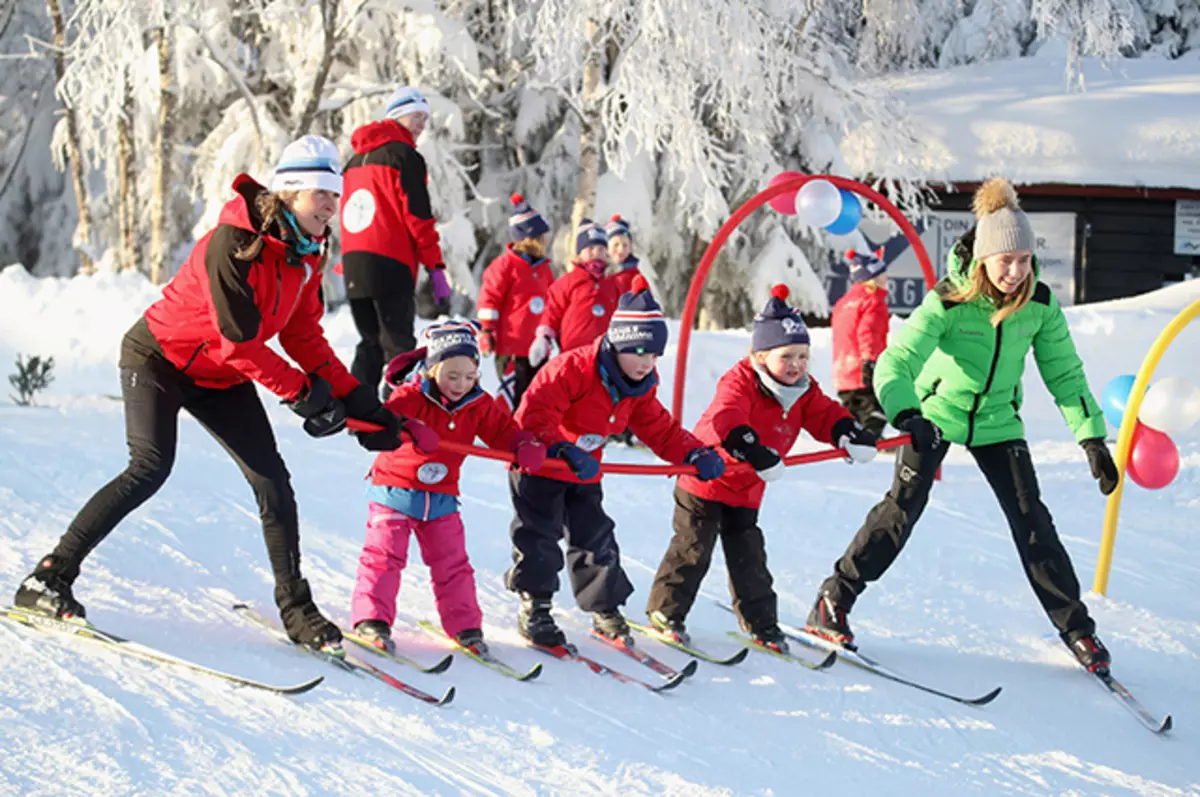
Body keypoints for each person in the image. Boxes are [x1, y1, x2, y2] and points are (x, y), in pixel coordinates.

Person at [13, 136, 400, 648]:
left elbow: (302, 335)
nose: (332, 205)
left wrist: (359, 400)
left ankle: (296, 609)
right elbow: (237, 341)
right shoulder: (233, 243)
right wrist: (305, 394)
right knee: (149, 467)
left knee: (273, 485)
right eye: (319, 193)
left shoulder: (310, 251)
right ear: (287, 193)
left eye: (336, 193)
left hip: (221, 376)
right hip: (160, 358)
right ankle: (48, 577)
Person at [805, 178, 1121, 674]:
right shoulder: (949, 301)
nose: (1015, 272)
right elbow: (896, 362)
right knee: (902, 510)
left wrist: (1091, 436)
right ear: (982, 260)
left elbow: (1064, 371)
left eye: (1023, 260)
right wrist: (908, 413)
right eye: (1004, 261)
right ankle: (834, 598)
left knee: (1032, 522)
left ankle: (1078, 629)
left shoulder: (1038, 303)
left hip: (997, 420)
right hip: (935, 416)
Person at [646, 285, 878, 651]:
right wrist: (753, 449)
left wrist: (848, 432)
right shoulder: (740, 381)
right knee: (693, 549)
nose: (797, 365)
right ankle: (666, 612)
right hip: (706, 480)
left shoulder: (802, 388)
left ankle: (761, 623)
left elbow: (824, 414)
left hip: (747, 488)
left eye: (803, 356)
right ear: (760, 355)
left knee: (749, 556)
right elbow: (727, 418)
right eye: (787, 356)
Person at [507, 276, 726, 647]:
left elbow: (660, 429)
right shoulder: (573, 368)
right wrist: (562, 449)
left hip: (585, 470)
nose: (647, 363)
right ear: (618, 343)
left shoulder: (637, 387)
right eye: (639, 352)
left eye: (655, 355)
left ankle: (605, 606)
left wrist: (694, 453)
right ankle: (536, 605)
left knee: (594, 535)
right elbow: (534, 414)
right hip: (542, 463)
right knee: (539, 534)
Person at [349, 321, 547, 654]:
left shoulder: (479, 404)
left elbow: (503, 433)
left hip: (442, 496)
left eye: (469, 377)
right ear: (431, 370)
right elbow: (382, 422)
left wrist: (524, 444)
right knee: (384, 557)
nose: (460, 384)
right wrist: (407, 426)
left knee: (452, 562)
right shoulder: (410, 396)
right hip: (395, 490)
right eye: (451, 376)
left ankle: (465, 626)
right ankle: (372, 620)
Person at [340, 85, 452, 397]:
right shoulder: (404, 156)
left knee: (370, 341)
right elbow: (418, 216)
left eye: (425, 119)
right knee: (399, 345)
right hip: (391, 262)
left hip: (354, 265)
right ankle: (400, 415)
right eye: (416, 116)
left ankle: (358, 409)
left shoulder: (354, 160)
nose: (421, 124)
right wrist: (436, 268)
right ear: (397, 115)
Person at [475, 193, 555, 411]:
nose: (547, 240)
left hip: (537, 347)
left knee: (537, 393)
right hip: (512, 345)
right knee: (515, 393)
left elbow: (552, 304)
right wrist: (487, 330)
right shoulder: (505, 266)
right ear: (531, 238)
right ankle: (509, 432)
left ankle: (532, 433)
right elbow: (489, 299)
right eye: (543, 236)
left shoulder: (545, 269)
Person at [527, 218, 620, 368]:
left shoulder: (613, 284)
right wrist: (543, 338)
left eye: (601, 249)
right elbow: (552, 312)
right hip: (573, 353)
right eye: (590, 249)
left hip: (606, 356)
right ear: (579, 254)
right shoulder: (568, 282)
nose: (596, 253)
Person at [831, 247, 891, 438]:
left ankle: (850, 438)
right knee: (877, 404)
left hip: (843, 370)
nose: (886, 279)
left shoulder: (843, 303)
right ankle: (871, 439)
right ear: (872, 279)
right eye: (882, 275)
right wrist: (870, 361)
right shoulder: (872, 301)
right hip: (862, 368)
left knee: (852, 409)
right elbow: (869, 333)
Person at [605, 215, 643, 296]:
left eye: (625, 245)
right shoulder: (598, 272)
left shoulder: (634, 276)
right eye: (616, 245)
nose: (621, 250)